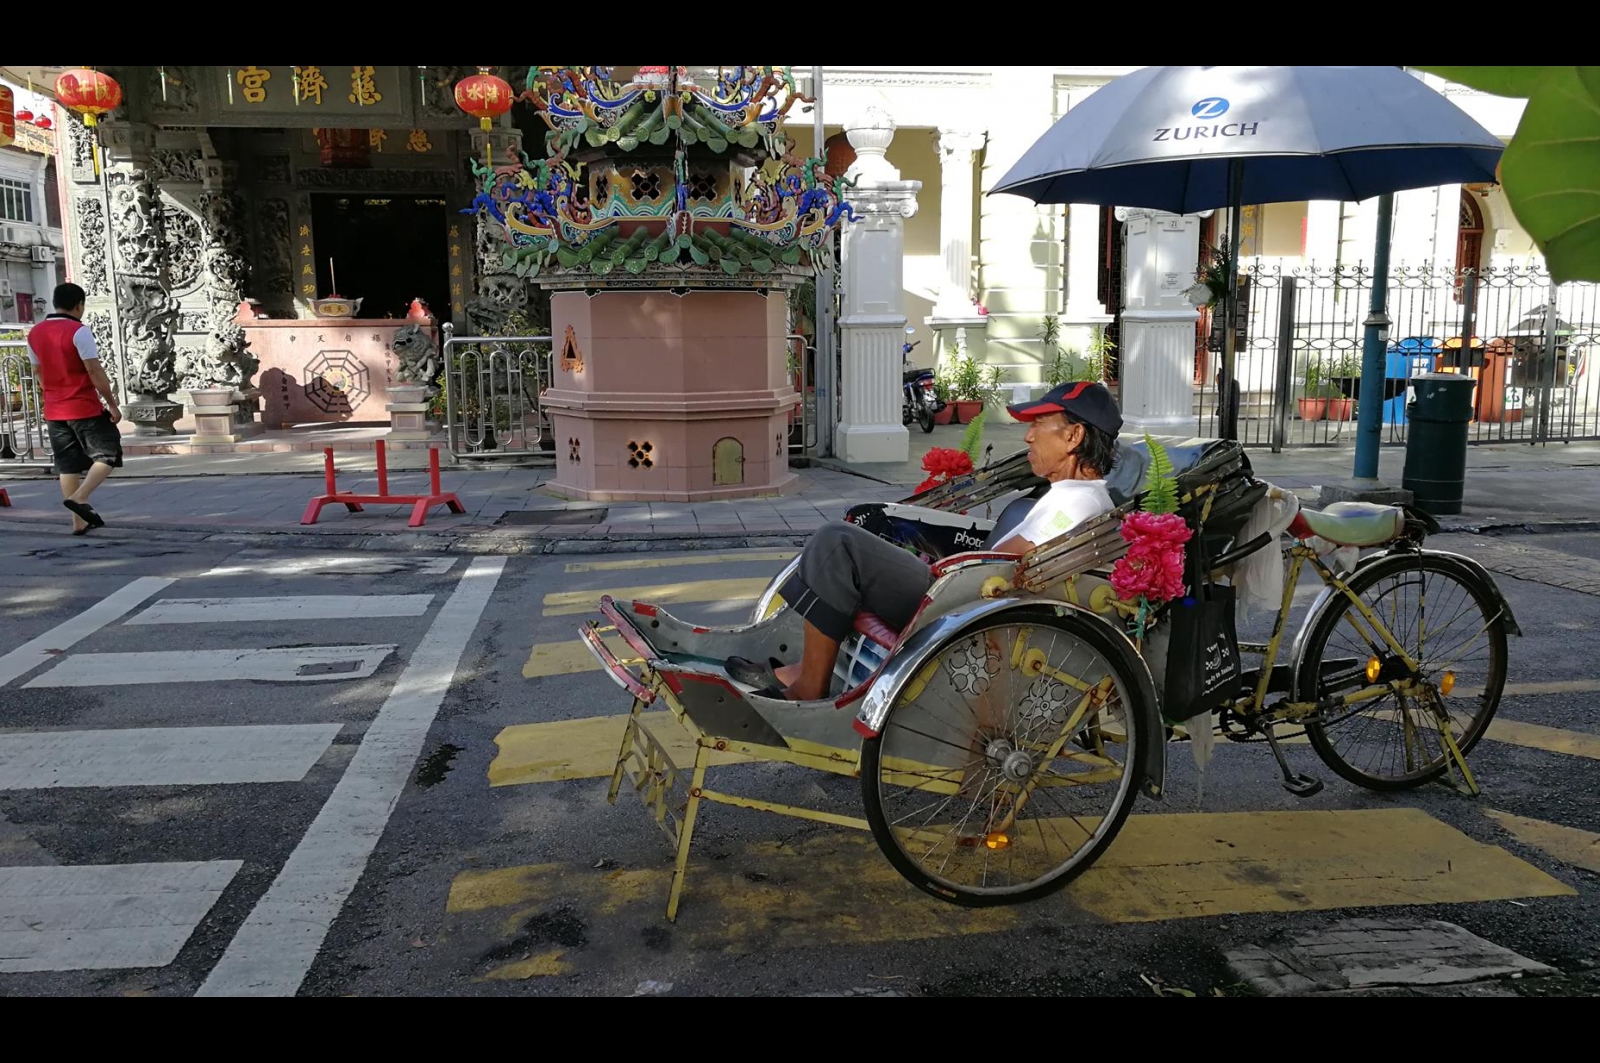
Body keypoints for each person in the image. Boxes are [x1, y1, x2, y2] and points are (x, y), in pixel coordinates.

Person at [730, 381, 1122, 701]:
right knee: (850, 540)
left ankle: (808, 686)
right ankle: (805, 671)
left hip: (962, 600)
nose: (1028, 436)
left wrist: (942, 561)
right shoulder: (1064, 493)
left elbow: (1009, 562)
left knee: (838, 543)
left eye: (1040, 424)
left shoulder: (1078, 500)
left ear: (1073, 436)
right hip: (963, 590)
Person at [27, 282, 123, 534]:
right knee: (108, 452)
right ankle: (80, 497)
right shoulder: (79, 331)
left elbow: (38, 371)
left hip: (55, 409)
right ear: (79, 305)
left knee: (67, 464)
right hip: (83, 406)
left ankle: (77, 521)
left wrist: (51, 393)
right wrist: (111, 404)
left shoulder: (34, 333)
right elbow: (93, 370)